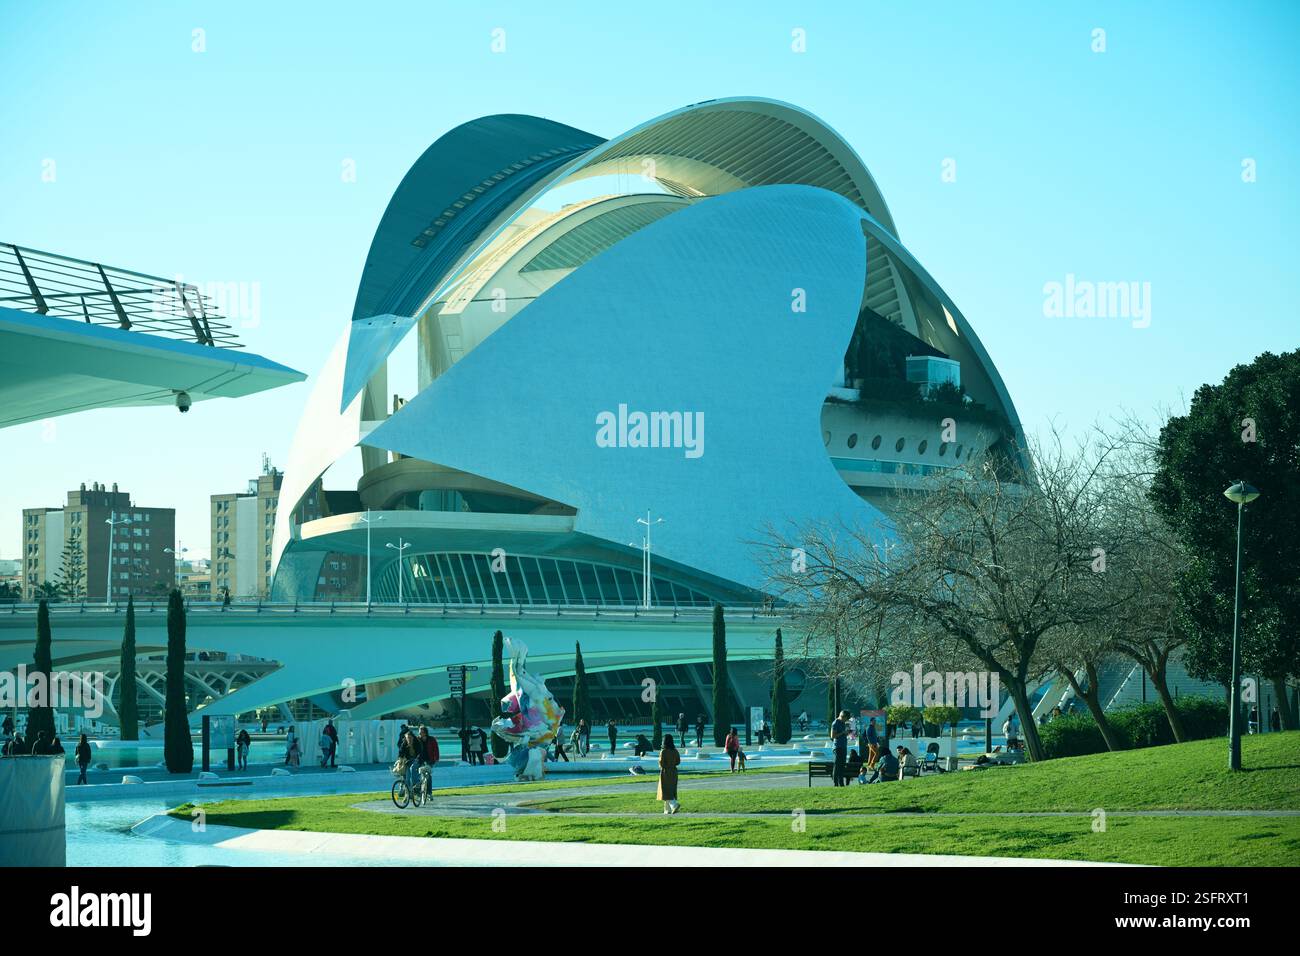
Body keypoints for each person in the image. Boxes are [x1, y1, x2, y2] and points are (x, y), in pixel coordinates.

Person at [658, 734, 681, 814]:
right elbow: (678, 762)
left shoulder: (663, 751)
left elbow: (661, 763)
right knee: (671, 789)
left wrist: (665, 765)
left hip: (666, 772)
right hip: (674, 771)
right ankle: (667, 810)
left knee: (665, 790)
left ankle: (674, 805)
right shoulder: (675, 751)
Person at [830, 709, 850, 786]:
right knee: (837, 765)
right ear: (843, 716)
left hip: (843, 746)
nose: (846, 720)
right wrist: (842, 733)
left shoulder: (842, 723)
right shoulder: (835, 723)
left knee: (842, 765)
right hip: (837, 747)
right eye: (846, 719)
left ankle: (841, 783)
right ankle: (835, 783)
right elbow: (833, 736)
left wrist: (846, 733)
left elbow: (842, 734)